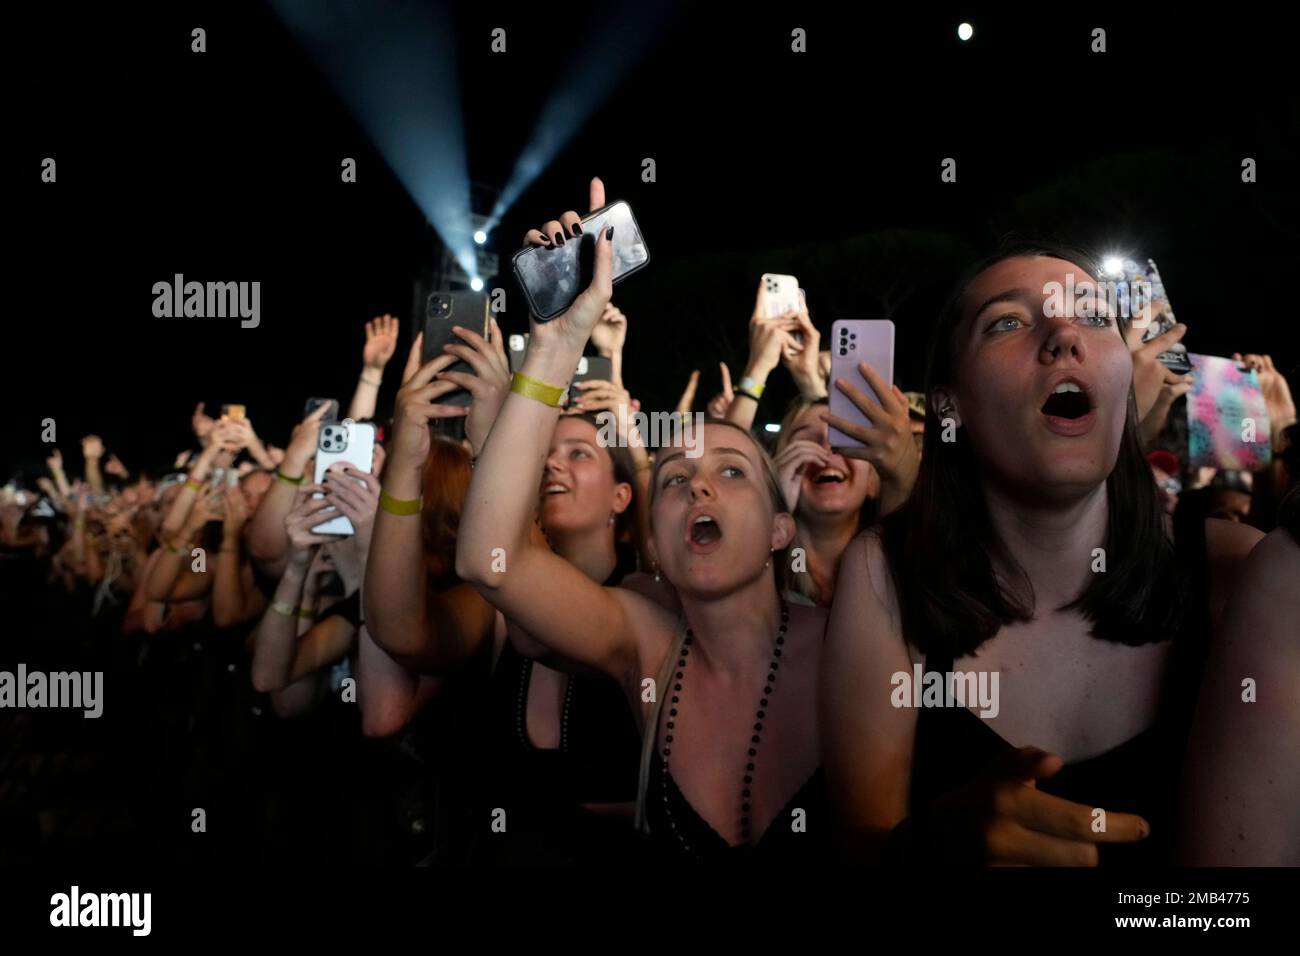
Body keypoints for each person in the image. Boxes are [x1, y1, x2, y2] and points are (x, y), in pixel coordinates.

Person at [820, 242, 1263, 865]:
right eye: (1008, 322)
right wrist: (921, 856)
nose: (1061, 336)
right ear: (950, 406)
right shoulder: (882, 575)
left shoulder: (1243, 574)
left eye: (1091, 316)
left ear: (1124, 383)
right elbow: (856, 854)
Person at [457, 178, 830, 858]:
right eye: (676, 480)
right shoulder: (644, 641)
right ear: (654, 535)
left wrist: (808, 389)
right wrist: (552, 350)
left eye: (732, 471)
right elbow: (488, 560)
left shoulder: (849, 643)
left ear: (782, 529)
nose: (697, 488)